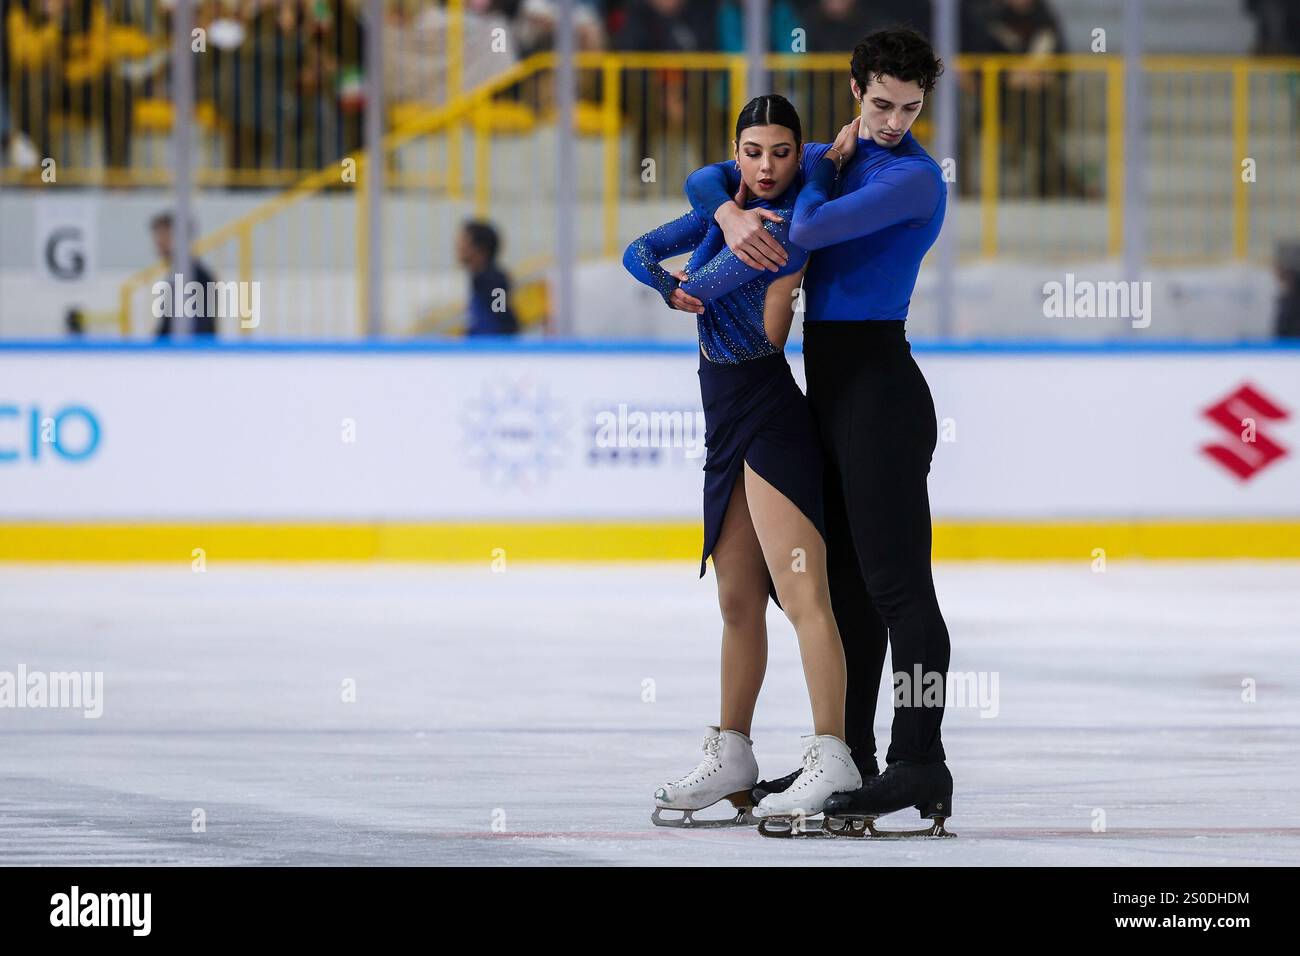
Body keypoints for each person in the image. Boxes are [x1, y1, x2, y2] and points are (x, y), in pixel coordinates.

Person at [679, 27, 955, 838]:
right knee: (846, 588)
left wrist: (823, 171)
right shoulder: (849, 157)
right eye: (880, 103)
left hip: (879, 388)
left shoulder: (910, 175)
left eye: (909, 106)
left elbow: (803, 235)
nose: (894, 119)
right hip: (827, 388)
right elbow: (707, 177)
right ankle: (852, 756)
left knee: (900, 586)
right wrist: (731, 208)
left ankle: (921, 757)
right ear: (855, 88)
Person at [624, 94, 861, 832]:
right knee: (735, 602)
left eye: (781, 152)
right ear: (737, 152)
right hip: (724, 423)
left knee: (802, 597)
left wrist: (678, 284)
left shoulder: (789, 229)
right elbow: (637, 252)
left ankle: (834, 753)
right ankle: (733, 754)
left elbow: (694, 285)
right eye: (751, 152)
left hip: (769, 418)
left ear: (798, 154)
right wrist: (711, 230)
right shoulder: (727, 205)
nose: (765, 166)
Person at [150, 212, 218, 340]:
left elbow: (200, 330)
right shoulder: (175, 275)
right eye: (157, 235)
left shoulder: (198, 278)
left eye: (164, 235)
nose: (158, 242)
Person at [456, 220, 520, 337]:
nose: (458, 247)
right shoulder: (479, 278)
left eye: (463, 241)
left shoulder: (494, 281)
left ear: (480, 249)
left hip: (492, 351)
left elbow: (502, 316)